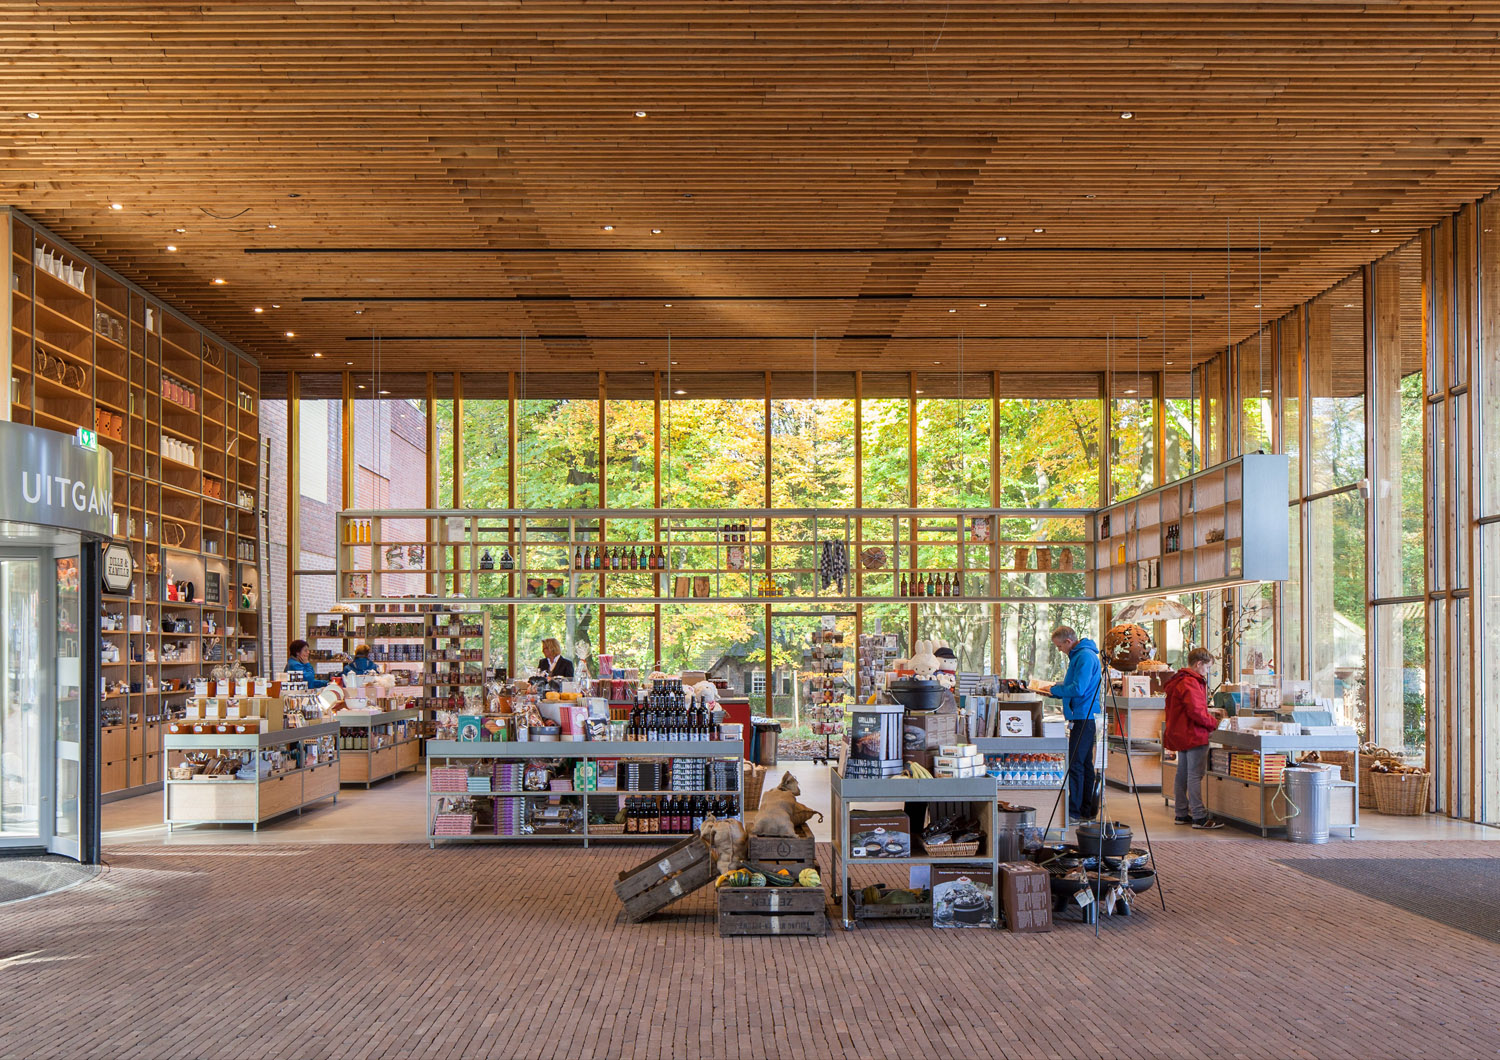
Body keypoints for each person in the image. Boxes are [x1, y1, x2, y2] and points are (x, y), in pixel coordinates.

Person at [1042, 625, 1102, 822]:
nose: (1060, 650)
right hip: (1084, 715)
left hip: (1084, 716)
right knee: (1084, 764)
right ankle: (1086, 810)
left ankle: (1075, 811)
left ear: (1068, 641)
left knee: (1076, 763)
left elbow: (1079, 689)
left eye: (1060, 646)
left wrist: (1054, 691)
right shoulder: (1081, 655)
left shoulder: (1084, 656)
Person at [1164, 647, 1225, 829]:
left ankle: (1181, 813)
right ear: (1199, 664)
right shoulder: (1191, 682)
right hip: (1194, 734)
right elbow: (1196, 711)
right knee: (1194, 775)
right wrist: (1214, 723)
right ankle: (1199, 816)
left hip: (1180, 734)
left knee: (1182, 774)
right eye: (1207, 668)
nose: (1207, 672)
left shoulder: (1178, 680)